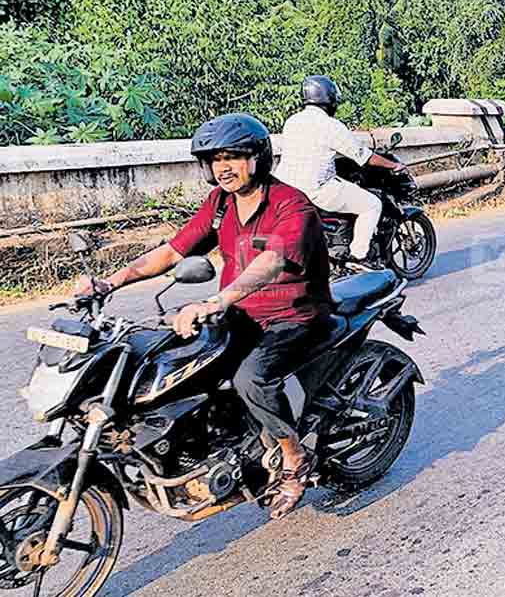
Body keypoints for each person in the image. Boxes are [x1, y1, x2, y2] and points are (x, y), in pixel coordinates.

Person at [73, 113, 333, 520]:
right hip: (240, 313)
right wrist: (111, 281)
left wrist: (216, 300)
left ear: (257, 157)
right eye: (214, 159)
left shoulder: (290, 203)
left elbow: (272, 259)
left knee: (252, 377)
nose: (223, 167)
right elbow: (173, 251)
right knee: (174, 364)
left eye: (233, 156)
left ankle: (293, 456)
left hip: (293, 315)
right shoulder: (219, 204)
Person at [278, 75, 404, 264]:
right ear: (329, 99)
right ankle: (358, 257)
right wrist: (394, 165)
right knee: (372, 204)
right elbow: (364, 156)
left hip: (287, 188)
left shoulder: (292, 121)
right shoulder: (330, 125)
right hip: (316, 189)